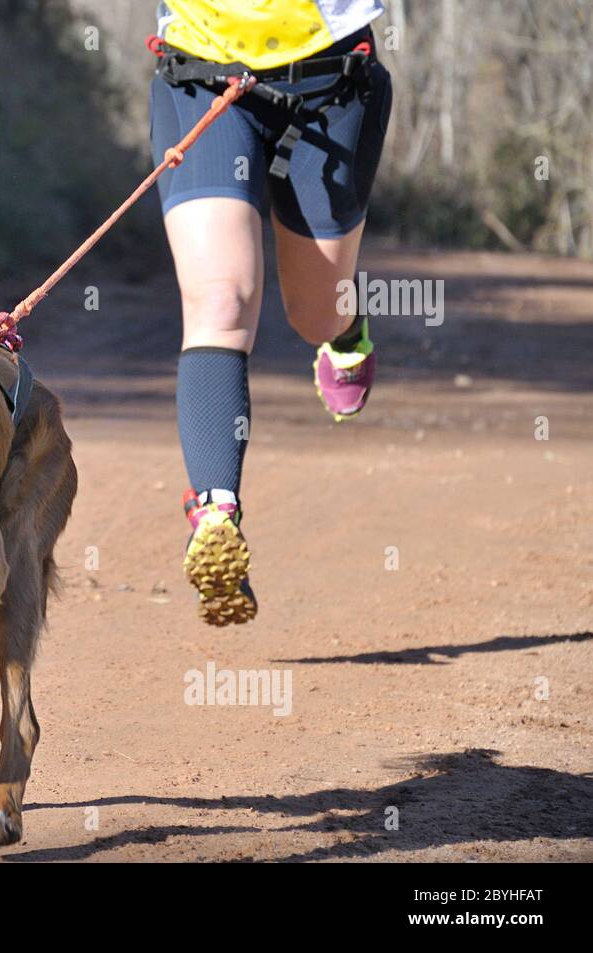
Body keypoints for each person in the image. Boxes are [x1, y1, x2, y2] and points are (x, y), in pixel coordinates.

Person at [148, 0, 393, 626]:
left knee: (315, 314)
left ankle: (344, 326)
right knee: (219, 300)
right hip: (201, 78)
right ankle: (215, 508)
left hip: (334, 87)